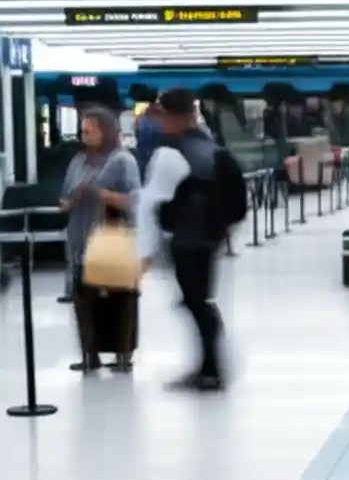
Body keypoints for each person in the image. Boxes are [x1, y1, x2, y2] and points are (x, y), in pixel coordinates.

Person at [135, 88, 234, 392]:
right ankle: (210, 366)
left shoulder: (169, 154)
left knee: (196, 303)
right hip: (209, 238)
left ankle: (210, 370)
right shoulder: (209, 147)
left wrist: (145, 252)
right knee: (200, 302)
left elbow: (151, 202)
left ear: (168, 115)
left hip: (186, 240)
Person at [61, 107, 142, 373]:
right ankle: (89, 353)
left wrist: (107, 196)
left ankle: (123, 354)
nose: (84, 137)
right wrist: (69, 201)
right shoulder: (78, 161)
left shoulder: (122, 160)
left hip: (113, 240)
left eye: (89, 131)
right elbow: (65, 196)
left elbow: (135, 200)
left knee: (121, 297)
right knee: (84, 298)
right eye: (82, 132)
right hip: (82, 239)